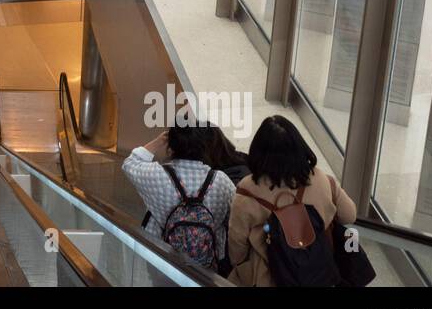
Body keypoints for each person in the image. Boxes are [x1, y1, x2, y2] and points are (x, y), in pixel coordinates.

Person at [227, 115, 356, 287]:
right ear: (299, 145)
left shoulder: (247, 190)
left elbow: (237, 246)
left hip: (268, 276)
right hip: (318, 273)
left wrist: (242, 267)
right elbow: (349, 216)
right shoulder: (321, 179)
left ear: (259, 151)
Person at [122, 121, 235, 271]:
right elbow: (234, 219)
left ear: (172, 145)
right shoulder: (221, 181)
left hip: (163, 261)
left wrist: (159, 141)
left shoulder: (157, 175)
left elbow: (130, 163)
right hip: (206, 267)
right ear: (204, 145)